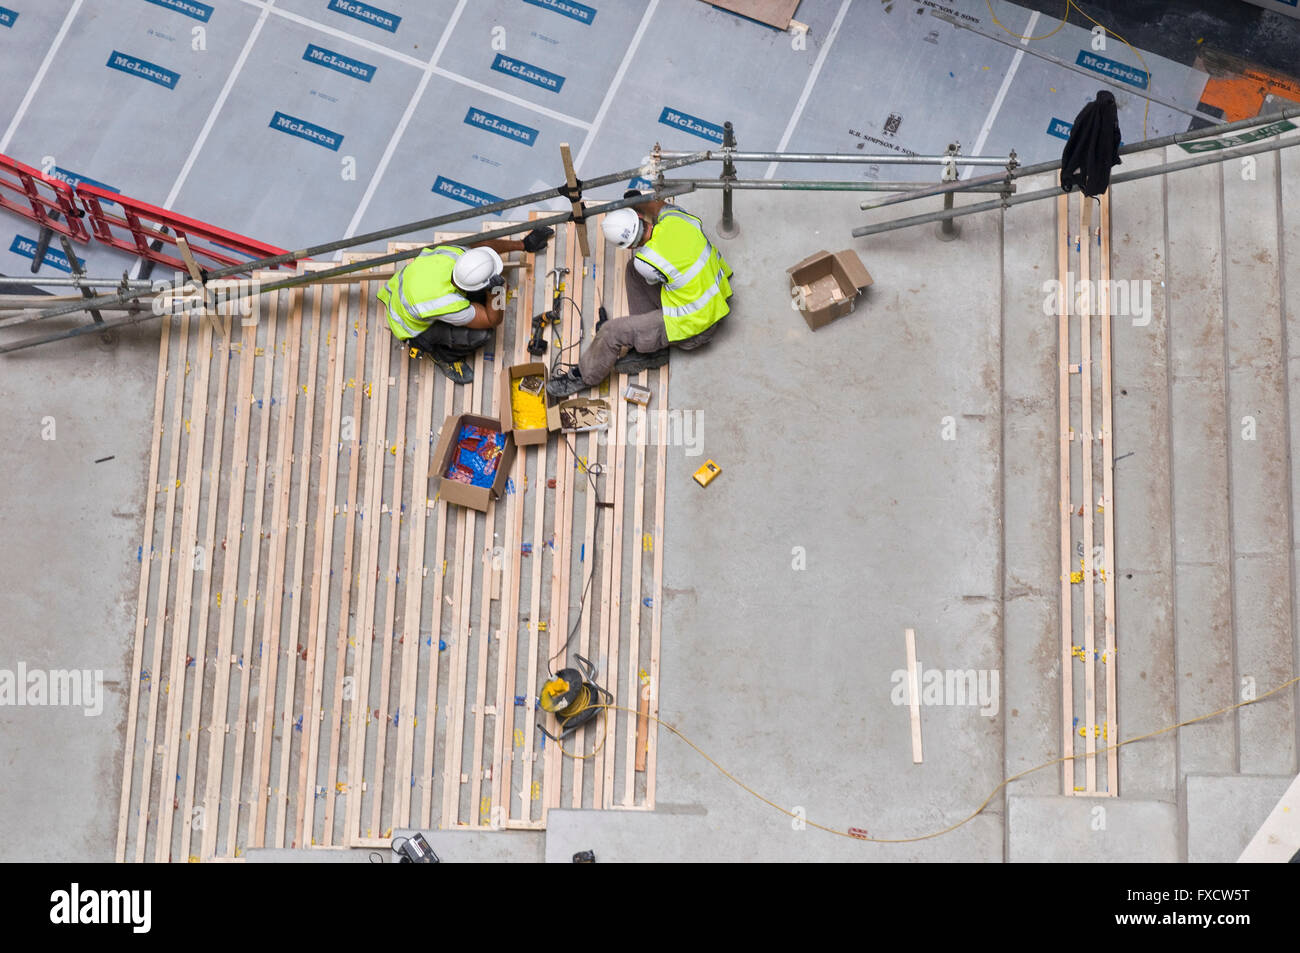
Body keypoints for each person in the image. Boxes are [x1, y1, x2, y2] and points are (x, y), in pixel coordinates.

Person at [546, 194, 733, 397]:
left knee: (611, 332)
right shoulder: (676, 218)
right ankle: (651, 347)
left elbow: (654, 276)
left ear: (631, 246)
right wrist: (635, 199)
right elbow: (657, 204)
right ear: (641, 217)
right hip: (715, 299)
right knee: (632, 270)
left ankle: (584, 376)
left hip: (697, 328)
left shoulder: (647, 260)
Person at [379, 226, 552, 383]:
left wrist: (523, 244)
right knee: (482, 335)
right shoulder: (448, 304)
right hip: (408, 326)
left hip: (399, 291)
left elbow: (483, 247)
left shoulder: (455, 253)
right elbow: (492, 319)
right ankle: (444, 357)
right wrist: (497, 292)